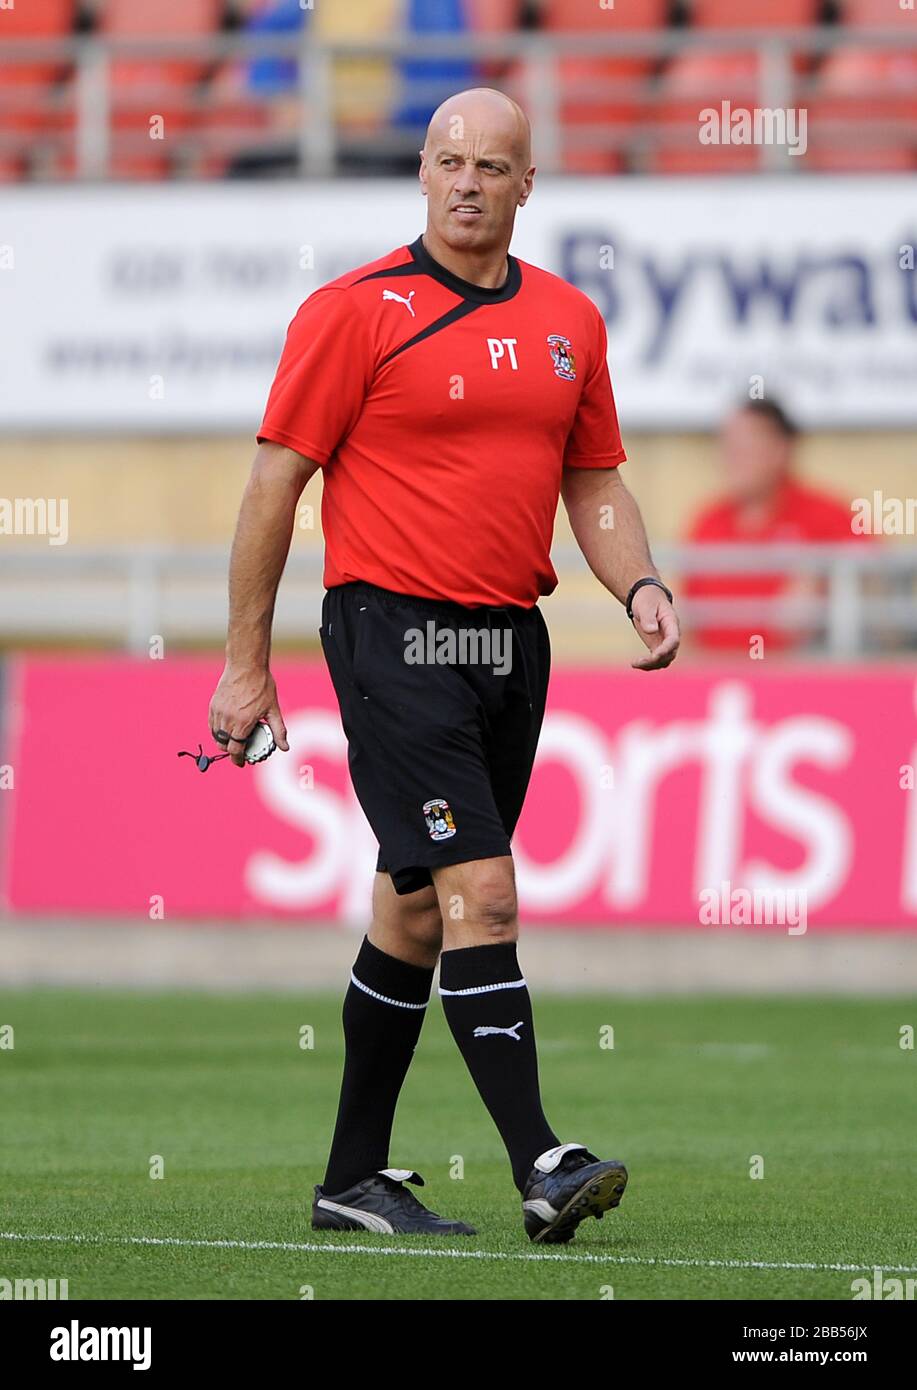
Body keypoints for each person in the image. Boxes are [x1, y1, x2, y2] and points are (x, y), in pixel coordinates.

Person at [208, 87, 679, 1244]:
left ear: (528, 186)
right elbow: (275, 482)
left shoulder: (571, 319)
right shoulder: (353, 312)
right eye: (447, 161)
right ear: (420, 174)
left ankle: (350, 1179)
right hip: (392, 632)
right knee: (486, 895)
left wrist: (639, 582)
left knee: (415, 913)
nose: (467, 182)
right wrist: (242, 663)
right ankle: (542, 1160)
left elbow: (594, 479)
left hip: (507, 644)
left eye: (492, 166)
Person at [684, 399, 859, 653]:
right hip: (720, 677)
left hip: (803, 679)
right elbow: (689, 620)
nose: (730, 459)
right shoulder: (707, 520)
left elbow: (879, 596)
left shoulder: (827, 513)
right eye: (726, 446)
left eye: (744, 448)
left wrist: (824, 582)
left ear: (781, 449)